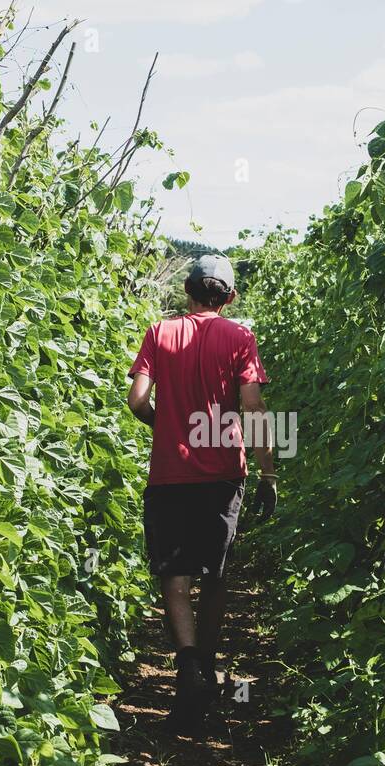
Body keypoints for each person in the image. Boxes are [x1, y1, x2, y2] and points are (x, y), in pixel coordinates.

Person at [126, 253, 277, 734]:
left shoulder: (159, 333)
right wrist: (268, 473)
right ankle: (207, 671)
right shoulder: (240, 338)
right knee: (215, 572)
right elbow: (252, 407)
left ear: (188, 292)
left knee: (174, 571)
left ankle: (187, 665)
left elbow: (137, 401)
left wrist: (166, 426)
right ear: (229, 297)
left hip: (170, 473)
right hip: (222, 474)